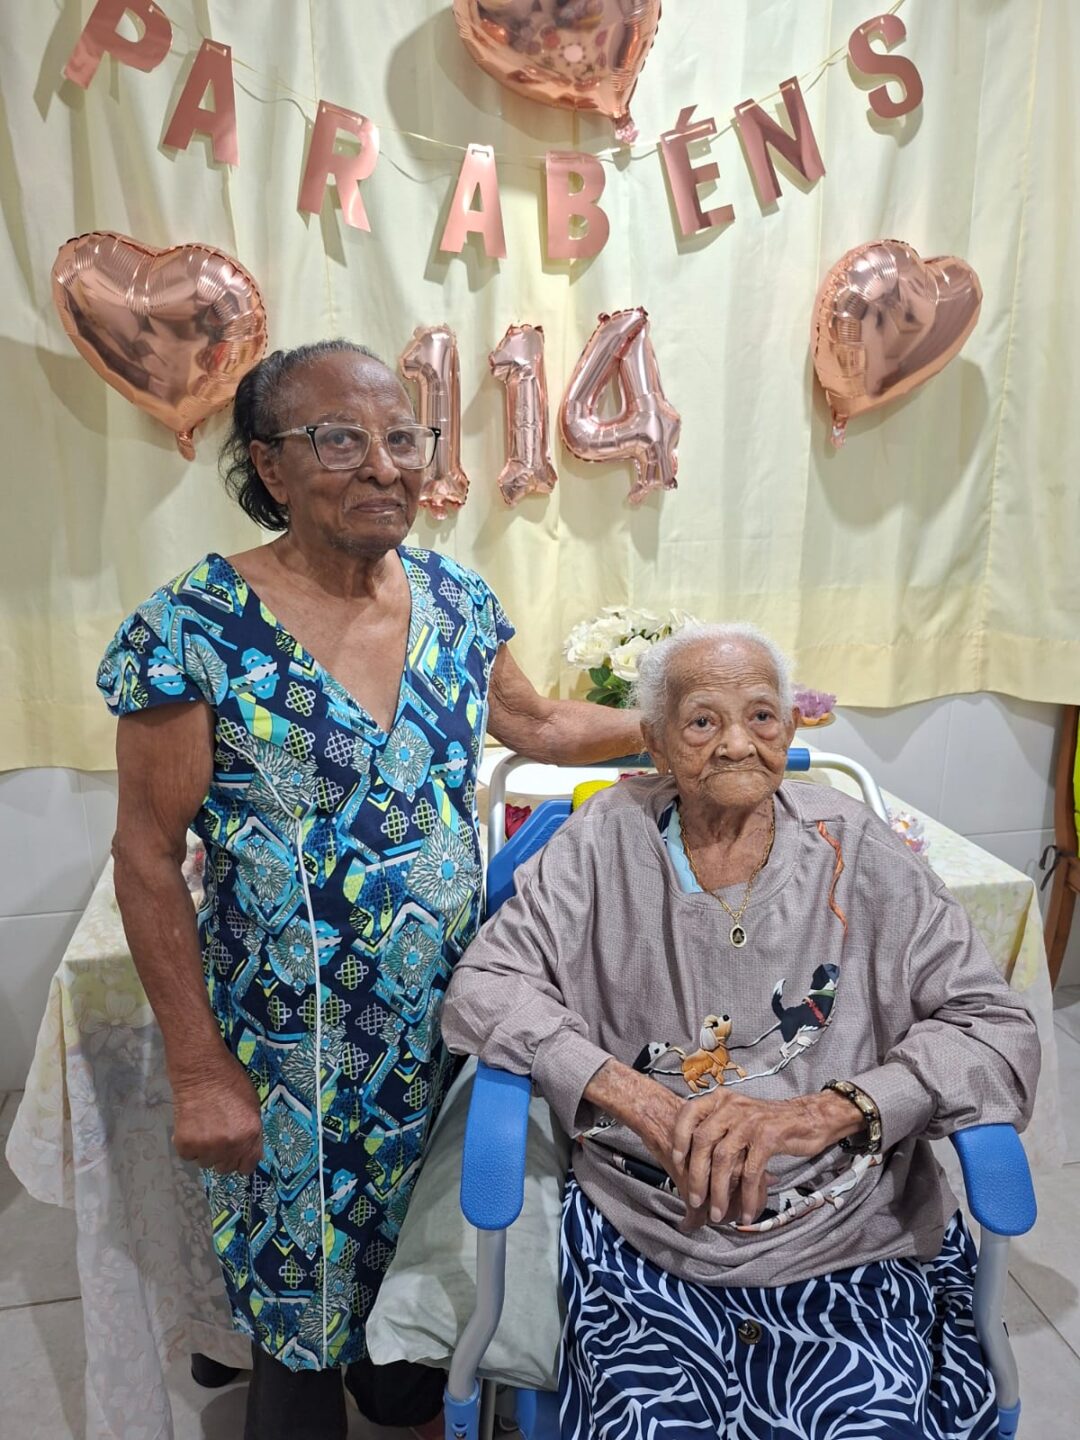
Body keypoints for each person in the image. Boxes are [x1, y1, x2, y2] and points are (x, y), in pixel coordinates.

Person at [96, 339, 642, 1440]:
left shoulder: (454, 597)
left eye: (405, 437)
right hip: (288, 1060)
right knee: (301, 1341)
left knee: (424, 1310)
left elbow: (534, 725)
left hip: (448, 1034)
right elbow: (147, 856)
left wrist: (680, 728)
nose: (385, 465)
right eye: (340, 439)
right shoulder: (193, 630)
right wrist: (201, 1071)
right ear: (271, 466)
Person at [441, 623, 1040, 1440]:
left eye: (761, 717)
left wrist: (825, 1111)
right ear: (653, 741)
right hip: (647, 1233)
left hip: (846, 1234)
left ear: (790, 730)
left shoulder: (855, 846)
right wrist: (638, 1101)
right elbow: (485, 984)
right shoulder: (600, 843)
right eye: (700, 721)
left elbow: (993, 1026)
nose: (735, 744)